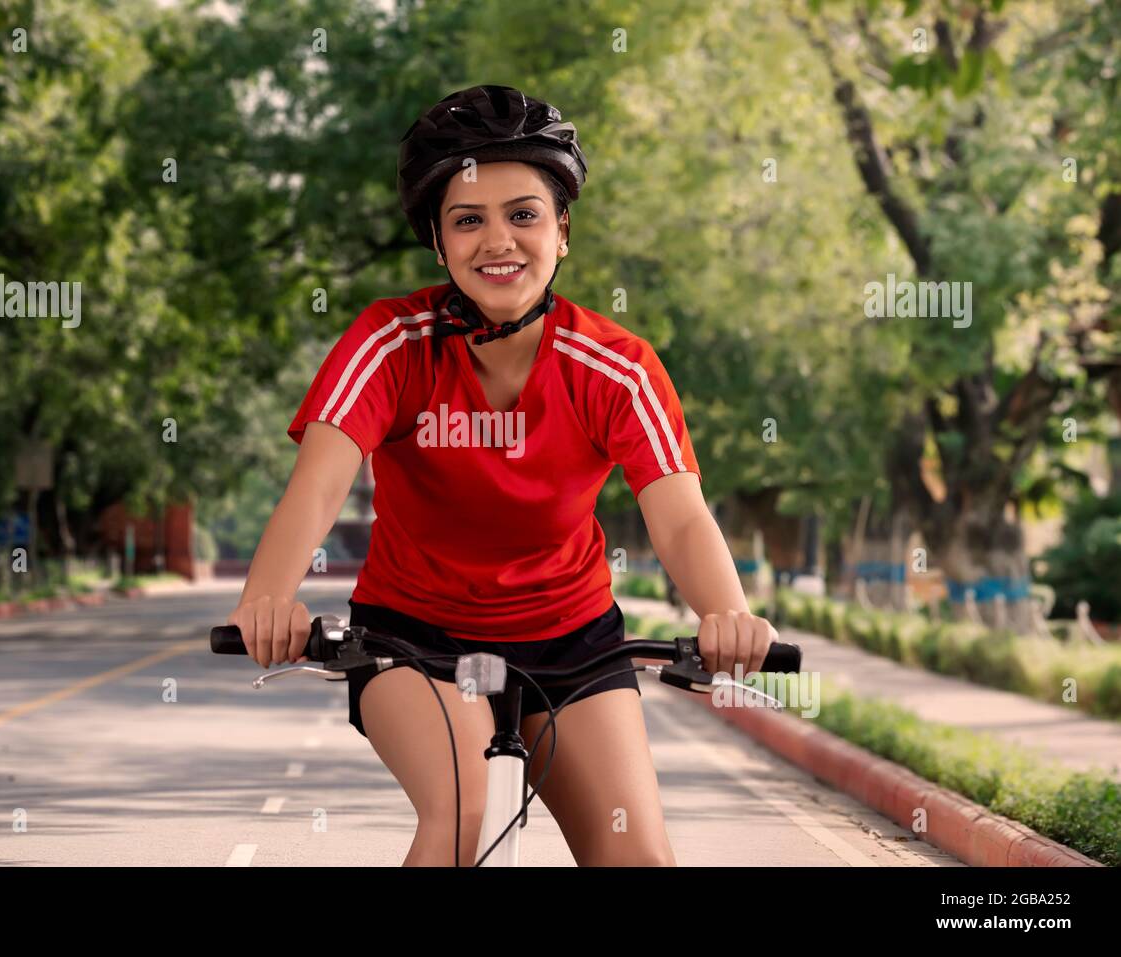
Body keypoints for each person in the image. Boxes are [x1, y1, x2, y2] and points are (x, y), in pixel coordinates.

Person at [226, 85, 779, 866]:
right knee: (462, 810)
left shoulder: (615, 366)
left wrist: (728, 613)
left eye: (523, 214)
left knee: (640, 858)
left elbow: (680, 514)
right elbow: (318, 483)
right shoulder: (391, 341)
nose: (499, 240)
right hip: (412, 640)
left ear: (562, 232)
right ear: (439, 241)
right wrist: (268, 597)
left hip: (573, 642)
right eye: (468, 219)